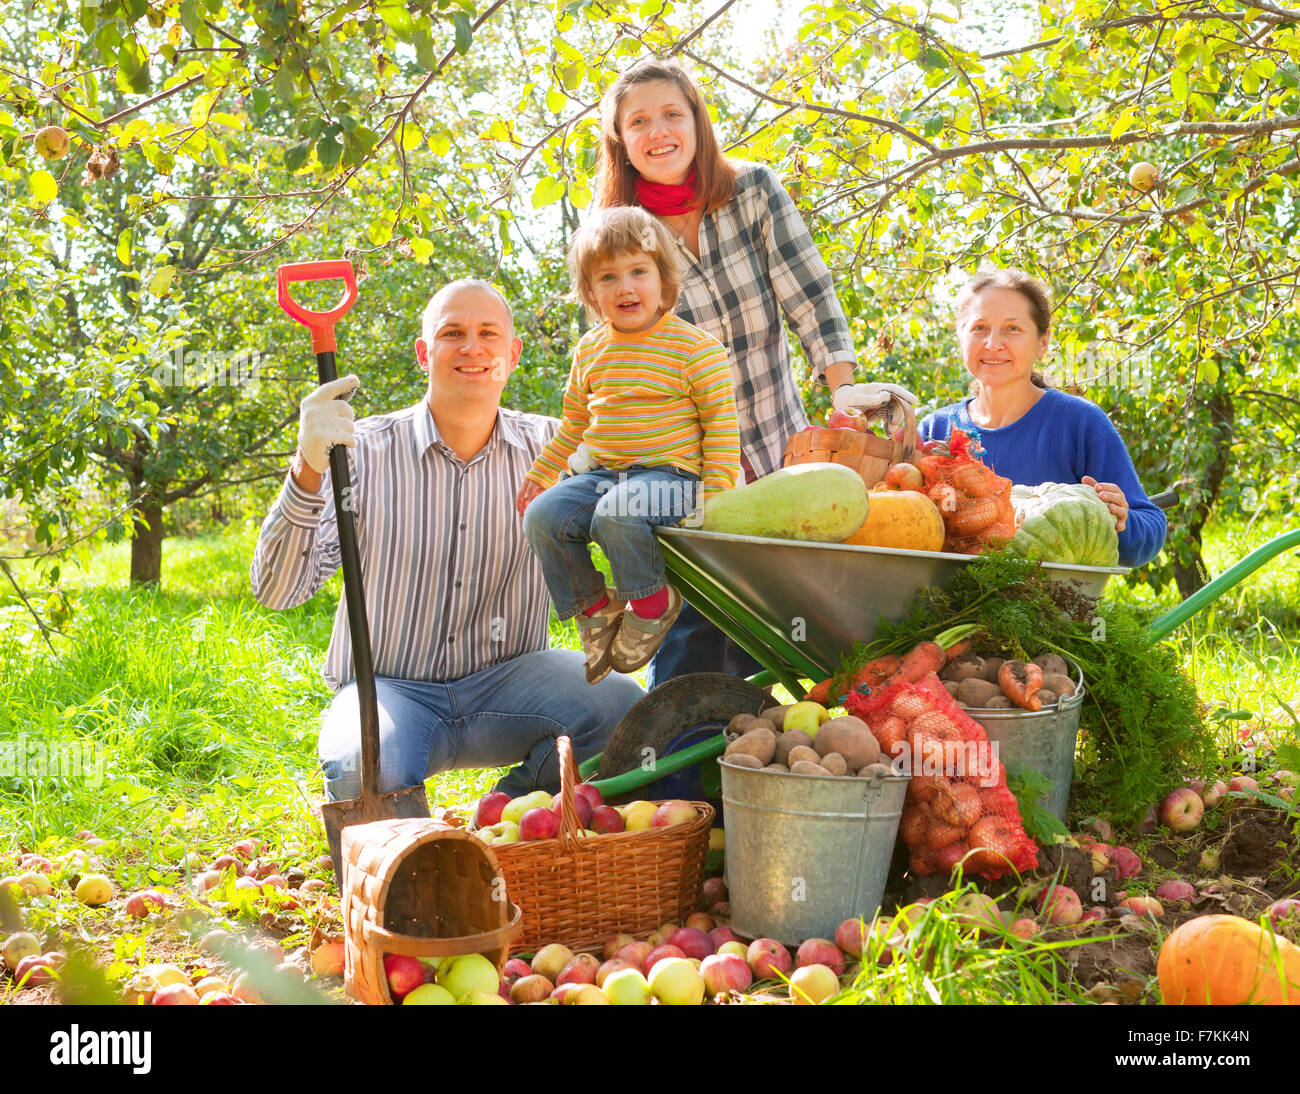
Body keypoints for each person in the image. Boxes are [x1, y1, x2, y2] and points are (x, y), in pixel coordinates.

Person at [250, 280, 644, 803]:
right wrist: (307, 466)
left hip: (512, 686)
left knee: (623, 709)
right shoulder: (357, 453)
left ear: (512, 353)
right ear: (423, 353)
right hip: (389, 692)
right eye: (452, 333)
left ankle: (512, 813)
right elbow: (277, 592)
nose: (472, 347)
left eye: (488, 333)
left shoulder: (555, 453)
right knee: (361, 767)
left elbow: (644, 492)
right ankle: (417, 863)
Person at [594, 57, 917, 686]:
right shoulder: (615, 237)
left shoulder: (753, 192)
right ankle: (684, 770)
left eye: (671, 114)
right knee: (696, 636)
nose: (659, 131)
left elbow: (810, 296)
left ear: (696, 122)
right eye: (639, 122)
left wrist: (842, 384)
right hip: (682, 466)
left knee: (780, 625)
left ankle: (775, 756)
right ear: (621, 142)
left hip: (776, 449)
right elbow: (619, 360)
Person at [516, 206, 741, 684]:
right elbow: (574, 423)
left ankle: (653, 602)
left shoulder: (695, 349)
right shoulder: (591, 350)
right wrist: (540, 474)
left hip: (675, 479)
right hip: (603, 475)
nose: (625, 287)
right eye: (608, 277)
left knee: (616, 512)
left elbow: (721, 426)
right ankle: (597, 608)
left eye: (639, 271)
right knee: (542, 517)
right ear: (591, 293)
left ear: (663, 279)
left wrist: (717, 494)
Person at [918, 267, 1166, 568]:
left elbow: (1151, 527)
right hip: (944, 608)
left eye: (1012, 329)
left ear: (1043, 342)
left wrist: (1122, 521)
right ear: (960, 336)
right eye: (979, 327)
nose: (993, 343)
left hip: (1049, 608)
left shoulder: (1079, 424)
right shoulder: (935, 430)